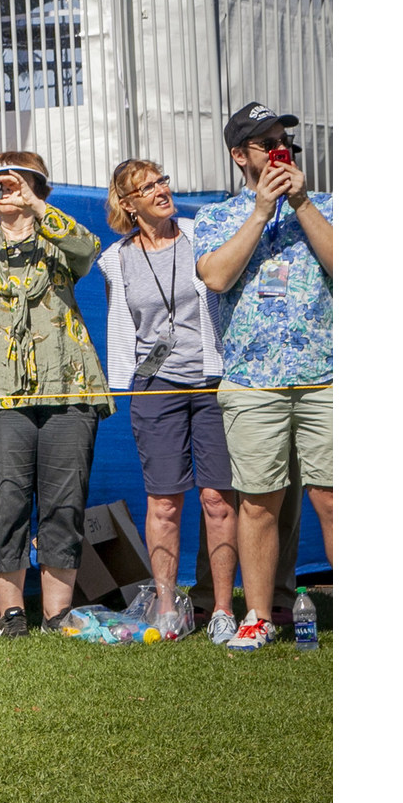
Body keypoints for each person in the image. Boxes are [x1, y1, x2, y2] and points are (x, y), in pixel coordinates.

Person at [0, 151, 114, 638]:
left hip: (68, 387)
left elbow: (88, 250)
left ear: (36, 187)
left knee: (65, 501)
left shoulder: (57, 238)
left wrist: (38, 208)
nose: (3, 193)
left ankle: (57, 614)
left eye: (12, 184)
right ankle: (11, 614)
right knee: (5, 500)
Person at [192, 102, 334, 652]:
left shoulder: (326, 206)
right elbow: (218, 277)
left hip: (327, 377)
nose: (280, 151)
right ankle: (256, 616)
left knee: (333, 496)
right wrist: (260, 211)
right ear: (239, 155)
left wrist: (298, 202)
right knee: (257, 500)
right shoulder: (217, 217)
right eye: (267, 143)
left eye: (285, 142)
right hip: (253, 382)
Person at [98, 158, 241, 641]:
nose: (162, 190)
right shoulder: (115, 259)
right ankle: (168, 609)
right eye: (147, 187)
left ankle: (221, 608)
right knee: (164, 503)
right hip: (154, 387)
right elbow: (125, 326)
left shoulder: (203, 234)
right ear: (128, 204)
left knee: (218, 499)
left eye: (162, 180)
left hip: (211, 381)